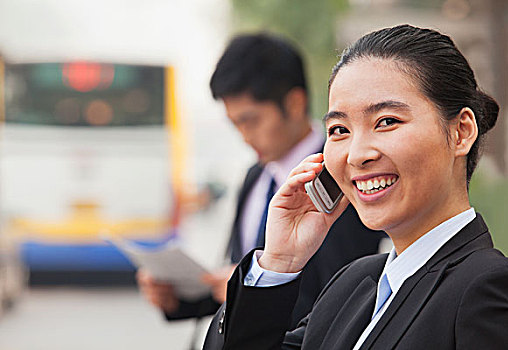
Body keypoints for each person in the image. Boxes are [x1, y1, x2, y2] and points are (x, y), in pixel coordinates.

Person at [203, 24, 508, 349]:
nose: (357, 155)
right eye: (339, 129)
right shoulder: (351, 286)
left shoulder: (490, 289)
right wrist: (278, 263)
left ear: (461, 132)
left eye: (386, 122)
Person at [137, 33, 384, 328]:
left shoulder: (341, 176)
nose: (244, 135)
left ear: (294, 103)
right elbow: (236, 273)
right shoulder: (255, 176)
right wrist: (178, 299)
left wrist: (254, 285)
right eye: (235, 124)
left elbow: (344, 299)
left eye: (250, 120)